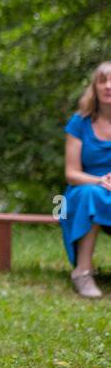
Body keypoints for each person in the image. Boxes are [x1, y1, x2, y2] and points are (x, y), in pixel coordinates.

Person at [61, 61, 111, 298]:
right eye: (103, 81)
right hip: (83, 189)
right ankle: (82, 272)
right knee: (91, 194)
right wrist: (100, 180)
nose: (108, 86)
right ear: (95, 88)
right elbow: (71, 174)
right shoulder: (79, 123)